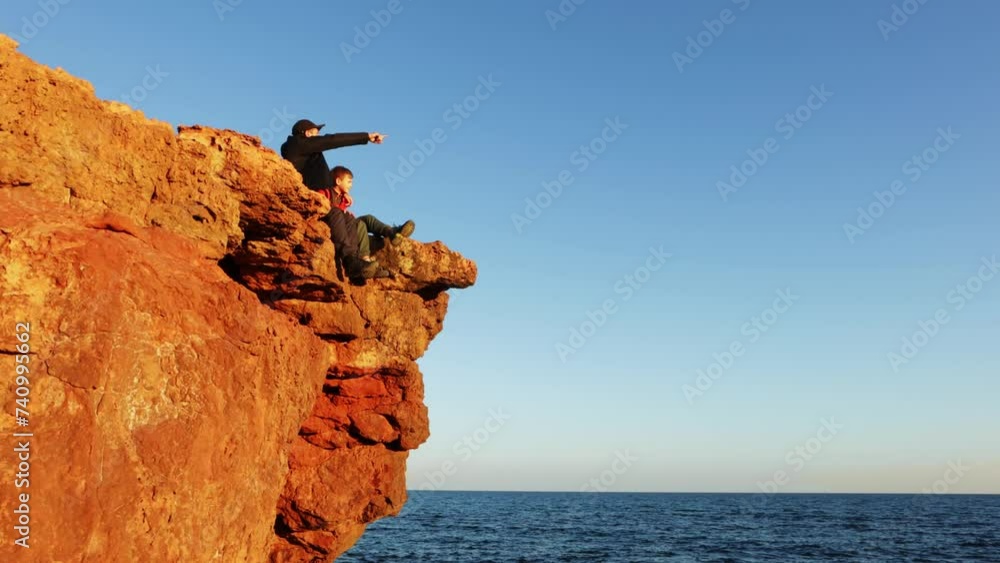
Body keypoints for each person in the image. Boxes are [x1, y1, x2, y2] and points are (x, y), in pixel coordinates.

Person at [327, 165, 415, 283]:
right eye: (349, 182)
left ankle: (391, 232)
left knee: (367, 219)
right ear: (338, 181)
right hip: (337, 227)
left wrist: (346, 207)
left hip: (345, 224)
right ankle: (363, 263)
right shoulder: (326, 192)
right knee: (361, 224)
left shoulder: (343, 198)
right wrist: (344, 209)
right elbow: (326, 207)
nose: (351, 185)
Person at [279, 119, 385, 196]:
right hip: (314, 193)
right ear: (307, 134)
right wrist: (366, 136)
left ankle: (334, 193)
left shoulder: (297, 148)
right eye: (316, 135)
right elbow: (332, 140)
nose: (318, 138)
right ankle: (331, 194)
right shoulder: (300, 144)